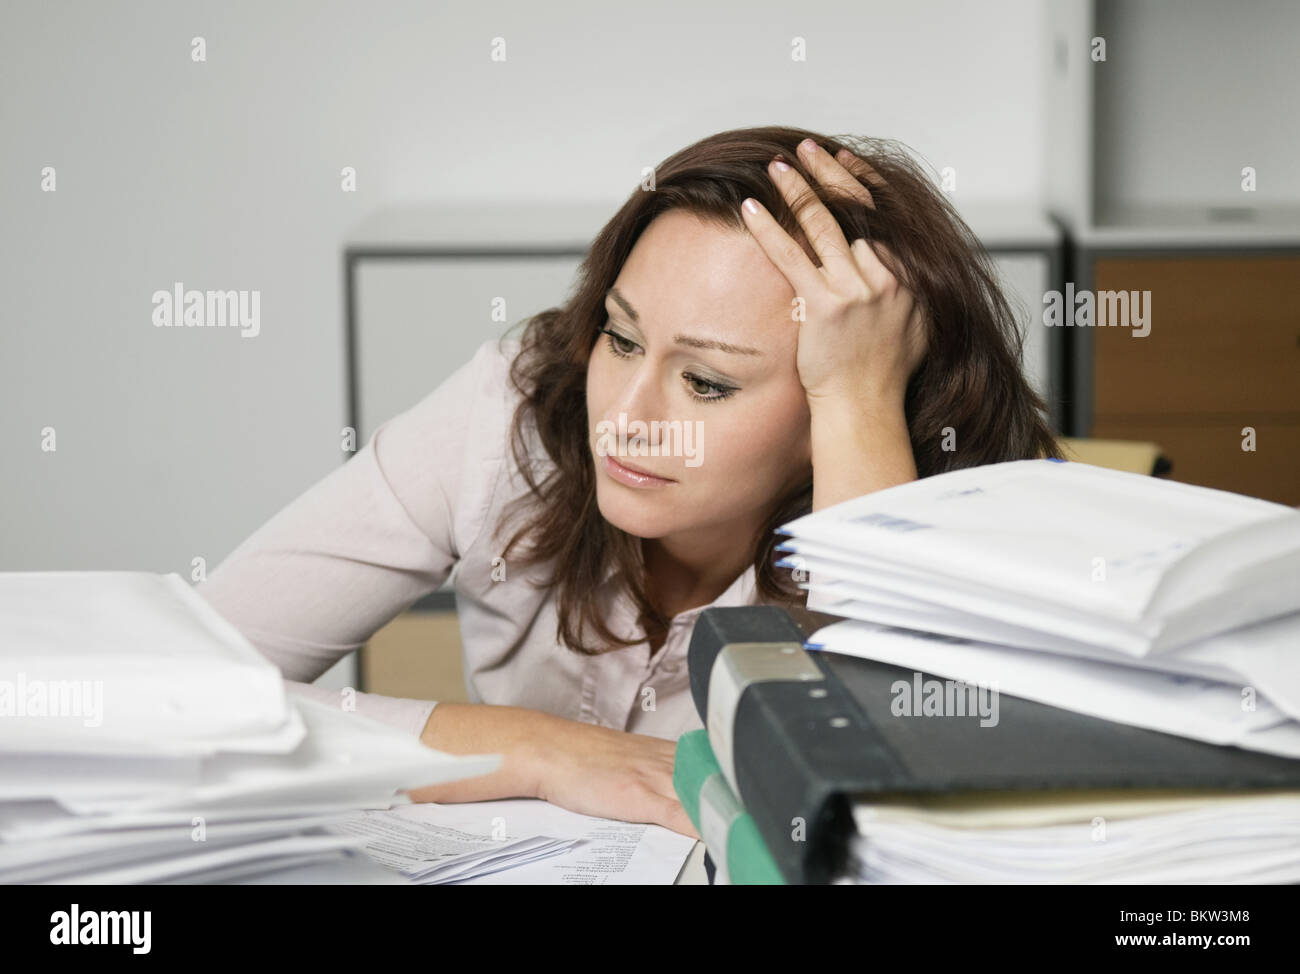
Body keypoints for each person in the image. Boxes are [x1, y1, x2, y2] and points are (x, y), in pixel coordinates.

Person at [195, 125, 1060, 839]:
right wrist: (538, 750)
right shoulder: (519, 409)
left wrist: (862, 406)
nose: (627, 417)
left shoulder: (951, 506)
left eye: (708, 382)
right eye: (622, 338)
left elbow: (908, 820)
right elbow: (168, 682)